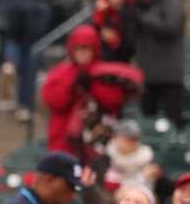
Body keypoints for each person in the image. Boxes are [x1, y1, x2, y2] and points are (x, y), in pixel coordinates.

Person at [40, 25, 142, 160]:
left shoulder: (103, 72)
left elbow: (114, 101)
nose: (82, 53)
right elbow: (53, 101)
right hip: (64, 140)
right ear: (72, 50)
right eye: (78, 48)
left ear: (94, 49)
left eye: (86, 48)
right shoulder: (61, 73)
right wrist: (73, 85)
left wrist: (92, 86)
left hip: (96, 141)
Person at [131, 0, 186, 129]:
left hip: (170, 76)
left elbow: (171, 27)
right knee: (147, 121)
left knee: (173, 120)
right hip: (146, 76)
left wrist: (144, 18)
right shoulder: (135, 7)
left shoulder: (171, 4)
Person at [93, 0, 137, 64]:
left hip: (121, 59)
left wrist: (117, 39)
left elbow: (130, 41)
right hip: (104, 58)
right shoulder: (102, 13)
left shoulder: (129, 13)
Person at [104, 120, 158, 190]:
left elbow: (146, 191)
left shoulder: (147, 159)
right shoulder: (107, 156)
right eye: (126, 139)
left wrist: (144, 178)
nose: (130, 143)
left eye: (134, 139)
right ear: (115, 138)